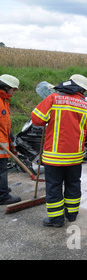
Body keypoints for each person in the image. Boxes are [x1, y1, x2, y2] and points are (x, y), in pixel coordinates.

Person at [31, 74, 87, 227]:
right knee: (73, 184)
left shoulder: (53, 98)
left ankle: (56, 219)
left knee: (54, 186)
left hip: (54, 156)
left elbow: (36, 120)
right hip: (75, 157)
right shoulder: (86, 105)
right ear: (81, 90)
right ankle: (71, 215)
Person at [0, 74, 22, 205]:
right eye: (13, 89)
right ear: (6, 87)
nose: (14, 92)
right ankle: (3, 196)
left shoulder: (4, 101)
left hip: (3, 139)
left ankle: (1, 189)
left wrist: (11, 135)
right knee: (2, 170)